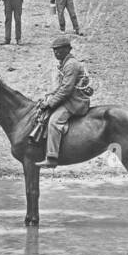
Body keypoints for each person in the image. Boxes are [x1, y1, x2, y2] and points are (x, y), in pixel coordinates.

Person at [34, 33, 91, 167]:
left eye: (59, 49)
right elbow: (61, 87)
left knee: (54, 121)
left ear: (67, 50)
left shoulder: (71, 65)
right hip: (71, 98)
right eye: (54, 50)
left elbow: (66, 90)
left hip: (76, 102)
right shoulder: (65, 64)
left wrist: (50, 103)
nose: (56, 52)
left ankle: (52, 157)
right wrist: (49, 97)